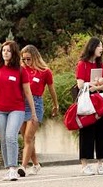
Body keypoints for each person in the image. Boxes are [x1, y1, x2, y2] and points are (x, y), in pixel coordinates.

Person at [0, 40, 37, 182]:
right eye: (3, 50)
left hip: (17, 109)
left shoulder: (21, 70)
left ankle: (13, 168)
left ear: (13, 53)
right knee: (3, 140)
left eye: (8, 50)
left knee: (10, 136)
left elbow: (27, 92)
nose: (5, 53)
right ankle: (8, 168)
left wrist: (33, 112)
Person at [19, 44, 58, 175]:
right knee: (25, 137)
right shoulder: (21, 70)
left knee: (29, 137)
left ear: (35, 57)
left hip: (36, 104)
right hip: (21, 104)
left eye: (28, 59)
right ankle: (36, 164)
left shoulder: (45, 72)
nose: (26, 62)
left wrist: (55, 105)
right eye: (23, 59)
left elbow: (52, 90)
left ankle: (23, 167)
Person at [76, 37, 103, 175]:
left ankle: (100, 163)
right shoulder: (82, 64)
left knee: (101, 130)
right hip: (87, 100)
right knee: (87, 131)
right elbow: (80, 84)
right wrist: (92, 85)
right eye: (99, 46)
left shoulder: (99, 64)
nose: (101, 49)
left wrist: (98, 84)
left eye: (102, 47)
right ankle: (85, 164)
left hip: (99, 99)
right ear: (92, 47)